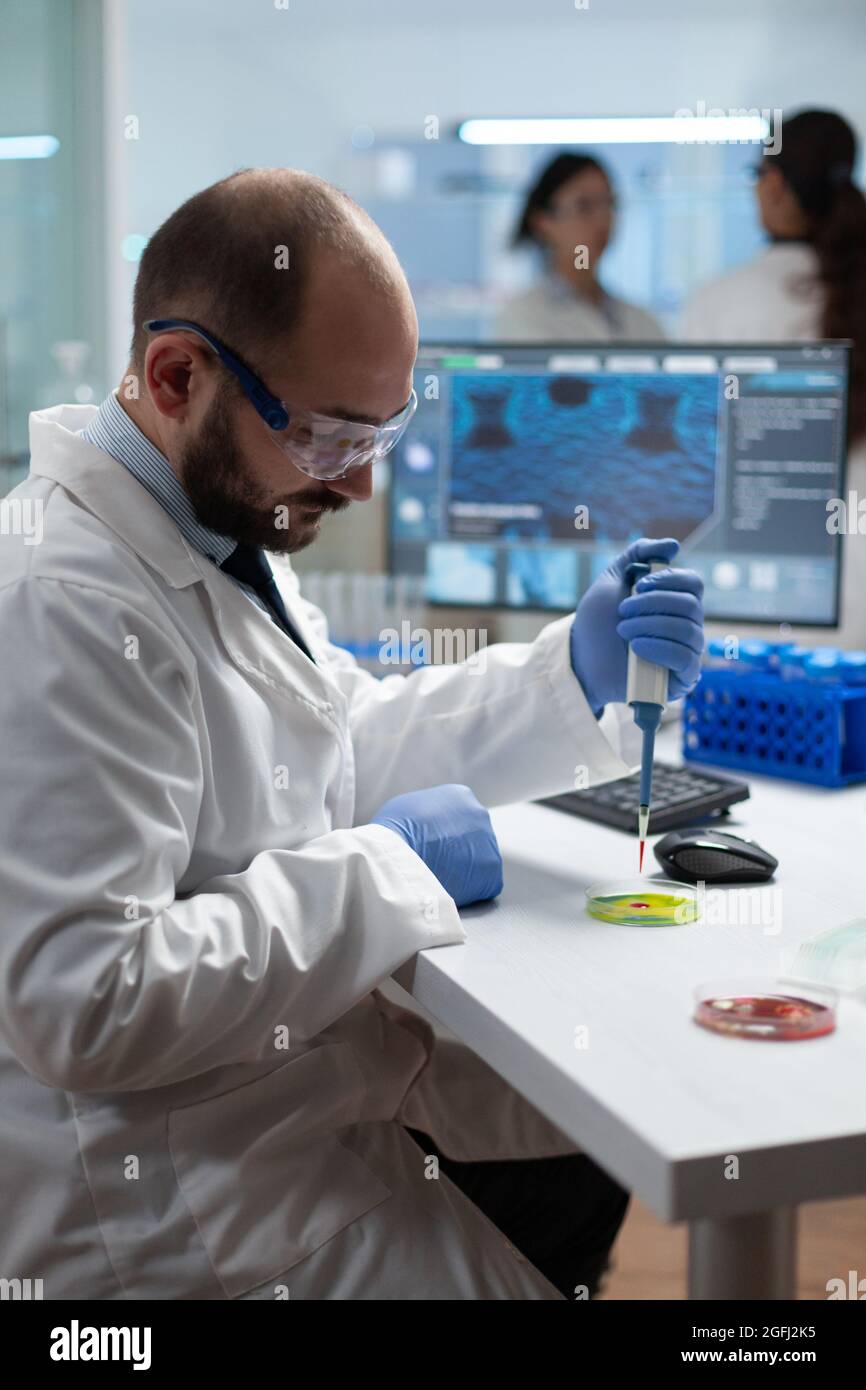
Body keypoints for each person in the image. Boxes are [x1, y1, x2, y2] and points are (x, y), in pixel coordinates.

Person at [0, 168, 704, 1301]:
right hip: (174, 1210)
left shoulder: (215, 529)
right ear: (177, 375)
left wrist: (565, 679)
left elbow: (332, 745)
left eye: (386, 430)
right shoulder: (59, 601)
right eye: (331, 435)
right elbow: (87, 1002)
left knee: (589, 1139)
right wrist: (387, 868)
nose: (365, 482)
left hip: (291, 1098)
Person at [681, 109, 866, 648]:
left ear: (776, 185)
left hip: (754, 601)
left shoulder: (718, 303)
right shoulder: (852, 291)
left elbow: (693, 455)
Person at [494, 151, 664, 342]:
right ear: (543, 221)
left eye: (609, 203)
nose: (603, 220)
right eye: (584, 206)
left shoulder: (643, 322)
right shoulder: (523, 317)